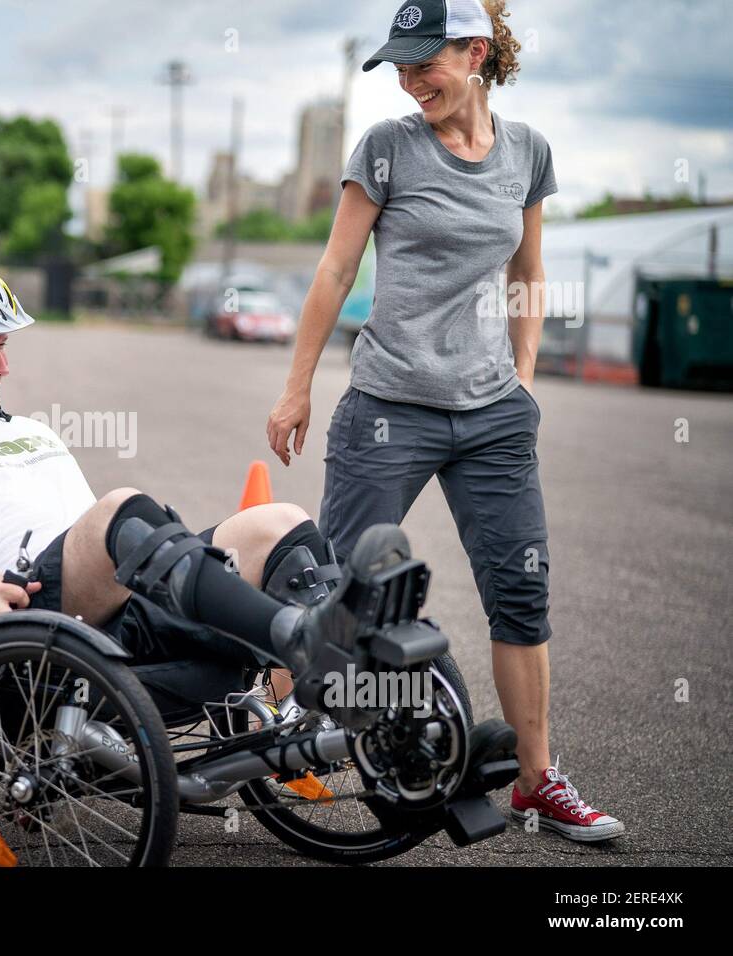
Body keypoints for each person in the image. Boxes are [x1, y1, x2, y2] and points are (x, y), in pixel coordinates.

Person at [265, 0, 622, 841]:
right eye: (399, 64)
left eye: (425, 61)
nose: (408, 78)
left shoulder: (527, 151)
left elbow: (528, 272)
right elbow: (334, 267)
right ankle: (272, 731)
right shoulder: (387, 148)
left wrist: (524, 383)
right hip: (390, 405)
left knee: (521, 593)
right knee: (340, 592)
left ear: (475, 51)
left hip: (493, 414)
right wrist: (297, 387)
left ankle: (538, 780)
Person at [0, 259, 408, 710]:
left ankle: (351, 690)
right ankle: (299, 636)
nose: (2, 367)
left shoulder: (31, 431)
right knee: (120, 510)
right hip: (15, 627)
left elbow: (92, 542)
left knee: (277, 521)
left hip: (113, 607)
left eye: (2, 347)